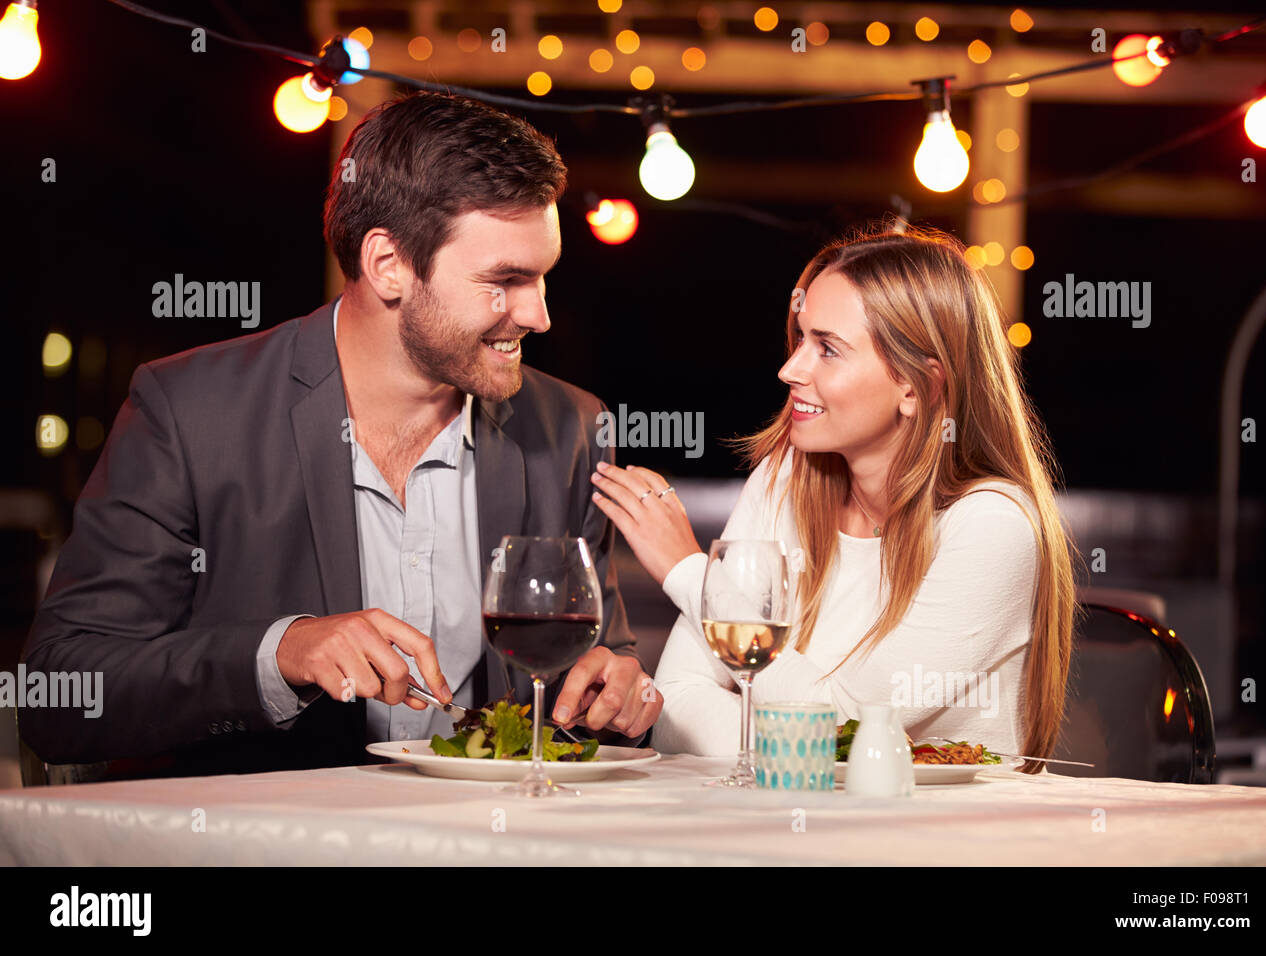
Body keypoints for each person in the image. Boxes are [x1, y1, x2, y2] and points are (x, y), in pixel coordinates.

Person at [19, 91, 660, 777]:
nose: (539, 315)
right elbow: (61, 692)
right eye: (506, 280)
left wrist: (623, 692)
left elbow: (599, 676)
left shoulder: (570, 430)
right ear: (388, 265)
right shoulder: (191, 412)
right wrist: (279, 653)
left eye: (542, 278)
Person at [591, 225, 1078, 771]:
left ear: (918, 387)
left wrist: (689, 573)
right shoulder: (783, 479)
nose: (790, 369)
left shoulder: (992, 525)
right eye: (801, 339)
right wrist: (801, 736)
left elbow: (844, 728)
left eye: (827, 348)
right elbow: (677, 703)